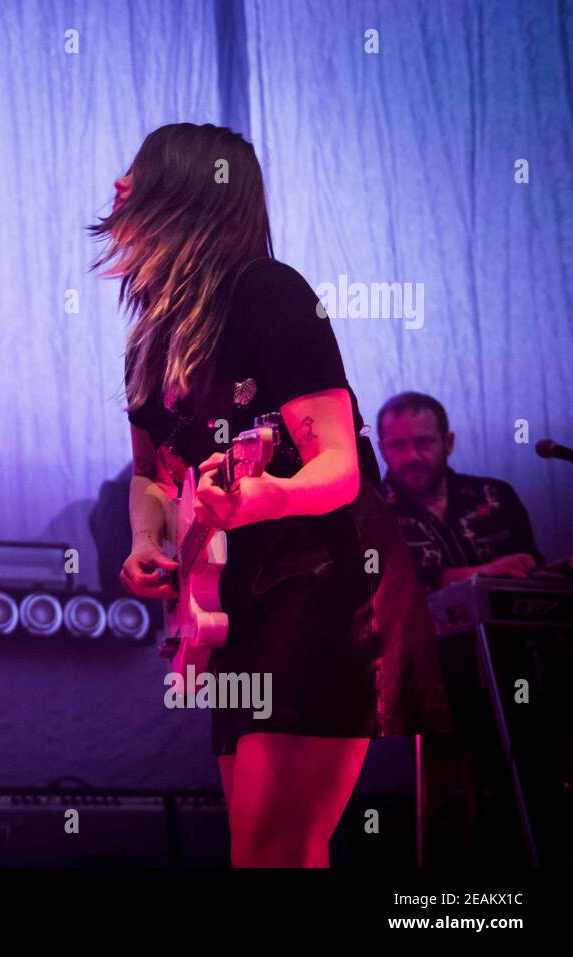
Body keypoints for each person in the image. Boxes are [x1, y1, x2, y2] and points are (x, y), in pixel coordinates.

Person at [95, 123, 450, 867]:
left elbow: (339, 468)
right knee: (263, 851)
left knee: (274, 848)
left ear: (187, 192)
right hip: (240, 601)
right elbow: (151, 475)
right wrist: (146, 541)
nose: (119, 186)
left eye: (139, 172)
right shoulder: (147, 342)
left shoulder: (268, 293)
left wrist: (257, 499)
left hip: (326, 582)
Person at [375, 391, 552, 589]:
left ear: (448, 442)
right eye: (398, 445)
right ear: (382, 450)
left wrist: (555, 574)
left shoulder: (496, 495)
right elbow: (371, 590)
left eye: (423, 441)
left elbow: (530, 568)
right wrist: (473, 575)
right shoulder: (370, 515)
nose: (412, 456)